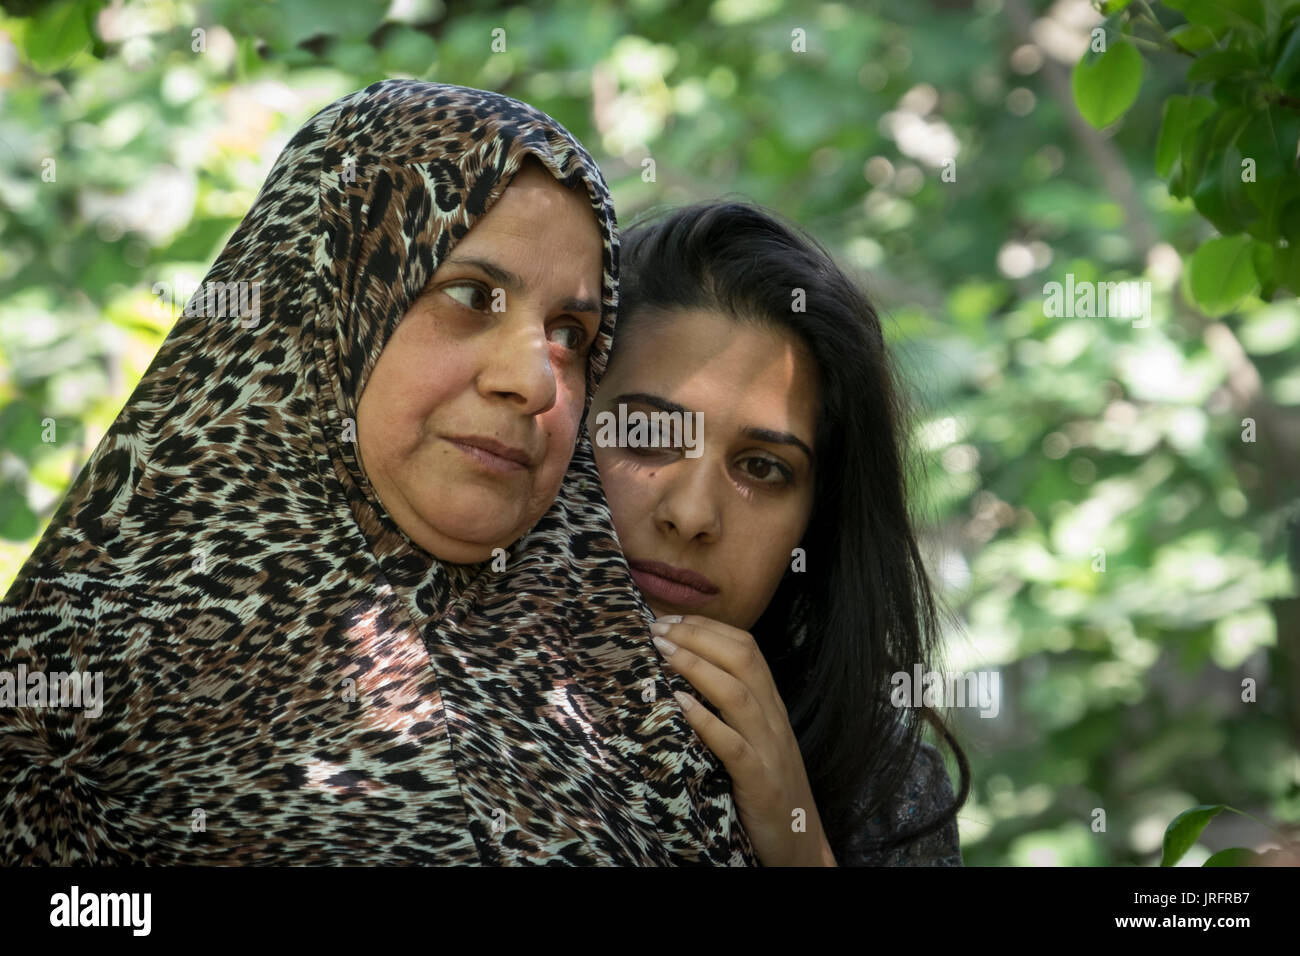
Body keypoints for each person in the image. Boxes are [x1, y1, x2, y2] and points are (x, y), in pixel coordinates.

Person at [0, 81, 759, 866]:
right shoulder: (72, 677)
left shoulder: (640, 691)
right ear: (323, 301)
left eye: (571, 333)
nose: (536, 380)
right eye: (471, 295)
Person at [589, 200, 972, 866]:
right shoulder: (403, 688)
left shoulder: (883, 789)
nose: (693, 515)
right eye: (648, 435)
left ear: (815, 523)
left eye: (763, 468)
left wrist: (797, 840)